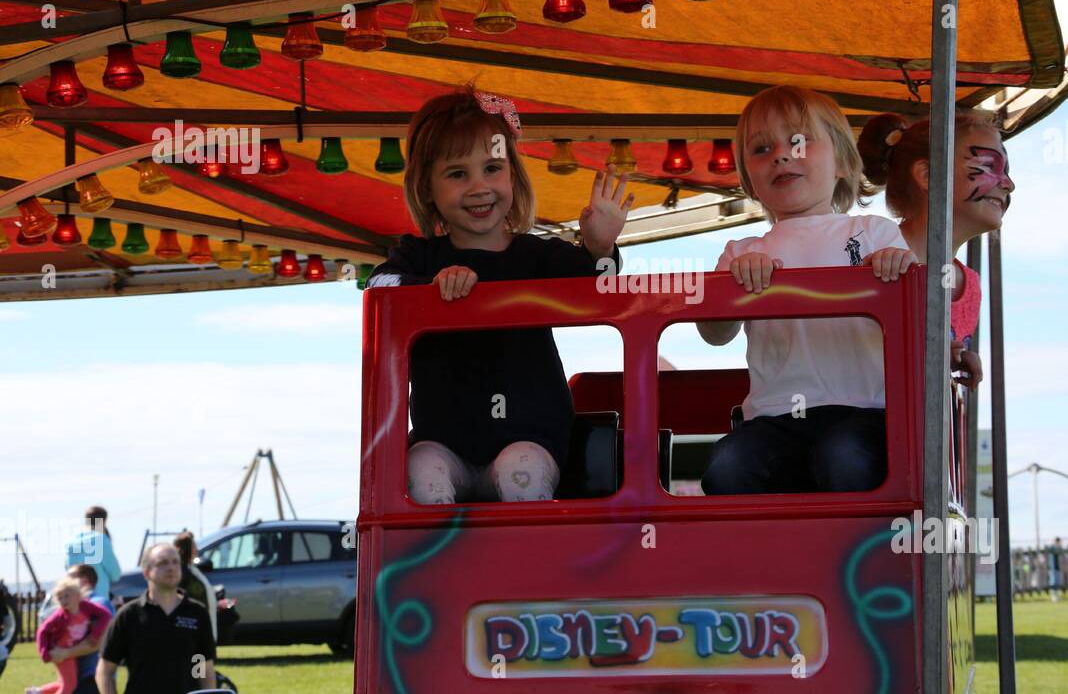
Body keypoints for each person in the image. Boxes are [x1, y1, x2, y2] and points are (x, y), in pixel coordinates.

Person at [367, 84, 632, 504]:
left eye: (492, 169)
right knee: (419, 472)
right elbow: (378, 286)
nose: (479, 187)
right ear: (428, 190)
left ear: (513, 176)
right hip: (444, 442)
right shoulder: (418, 257)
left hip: (528, 439)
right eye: (458, 174)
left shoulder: (537, 256)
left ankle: (531, 568)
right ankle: (440, 567)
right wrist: (430, 290)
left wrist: (599, 248)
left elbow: (598, 286)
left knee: (520, 473)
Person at [696, 85, 914, 496]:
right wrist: (734, 288)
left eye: (798, 141)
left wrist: (894, 269)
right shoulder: (743, 252)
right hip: (776, 419)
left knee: (844, 456)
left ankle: (860, 556)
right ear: (749, 179)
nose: (781, 154)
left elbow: (920, 312)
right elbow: (714, 333)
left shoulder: (874, 234)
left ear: (844, 164)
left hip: (865, 410)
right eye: (761, 149)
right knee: (728, 466)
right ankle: (762, 557)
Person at [857, 111, 1015, 387]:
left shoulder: (971, 286)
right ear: (928, 175)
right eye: (990, 166)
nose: (1008, 184)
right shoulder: (869, 254)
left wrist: (953, 360)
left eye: (1006, 172)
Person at [97, 543, 216, 694]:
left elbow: (203, 668)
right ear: (146, 572)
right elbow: (105, 672)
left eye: (175, 562)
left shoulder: (197, 613)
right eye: (163, 563)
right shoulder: (129, 615)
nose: (171, 567)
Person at [26, 577, 111, 694]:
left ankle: (36, 693)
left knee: (67, 683)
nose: (64, 601)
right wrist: (44, 653)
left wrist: (95, 634)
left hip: (69, 652)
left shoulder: (86, 607)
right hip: (60, 651)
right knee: (70, 684)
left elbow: (105, 615)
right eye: (60, 598)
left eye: (67, 596)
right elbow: (42, 630)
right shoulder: (60, 615)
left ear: (78, 595)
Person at [64, 506, 121, 603]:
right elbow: (115, 574)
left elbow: (68, 569)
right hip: (97, 601)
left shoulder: (72, 542)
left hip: (76, 602)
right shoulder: (101, 540)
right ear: (103, 521)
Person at [174, 531, 218, 640]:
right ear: (187, 548)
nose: (196, 549)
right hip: (192, 630)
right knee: (198, 657)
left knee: (203, 655)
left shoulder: (191, 568)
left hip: (203, 625)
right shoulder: (181, 572)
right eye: (194, 545)